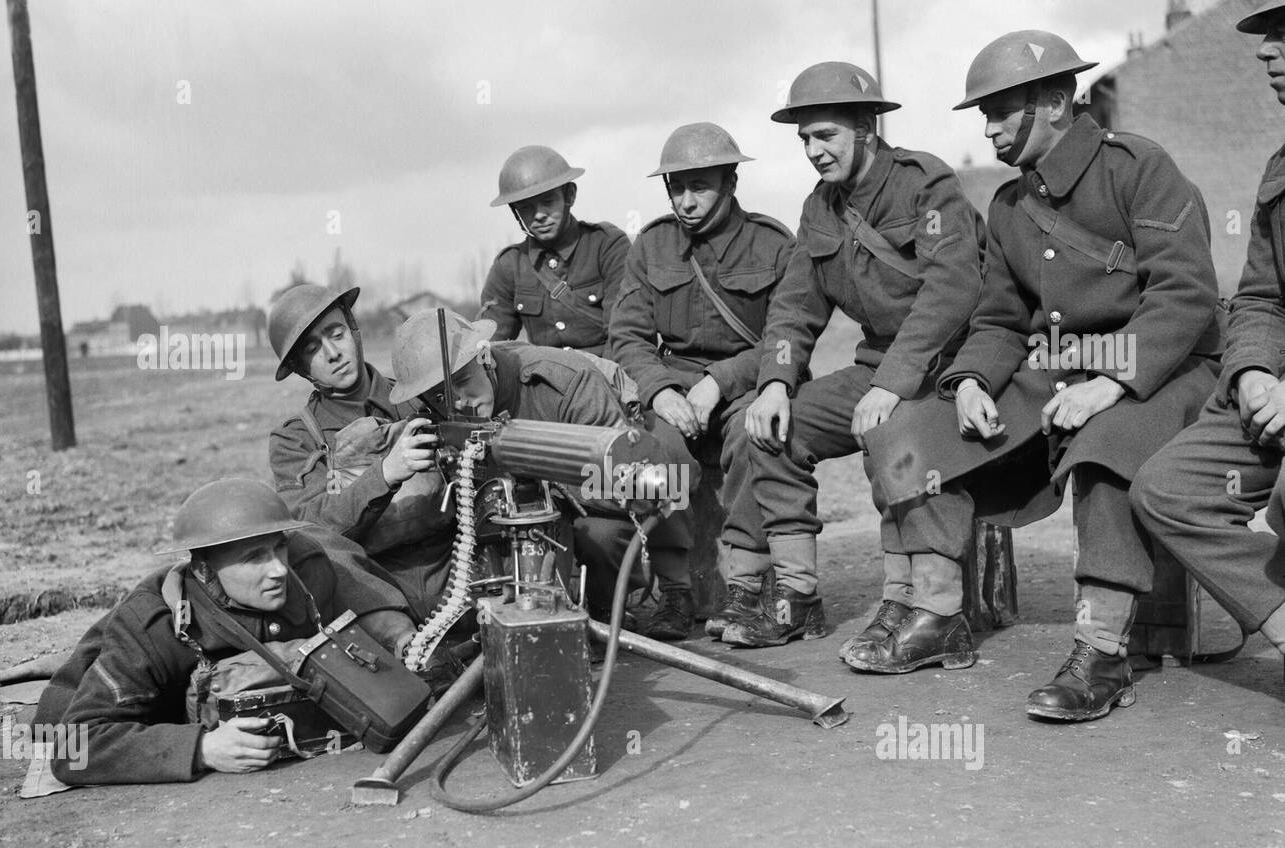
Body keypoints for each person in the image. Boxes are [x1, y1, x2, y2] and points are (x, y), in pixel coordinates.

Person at [861, 30, 1221, 723]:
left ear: (1056, 102)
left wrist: (1111, 379)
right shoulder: (1007, 205)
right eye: (983, 116)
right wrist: (969, 380)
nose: (989, 129)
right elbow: (999, 319)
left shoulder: (1139, 167)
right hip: (1055, 373)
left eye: (1002, 111)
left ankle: (1102, 651)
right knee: (911, 433)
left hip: (1167, 369)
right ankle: (937, 616)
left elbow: (1184, 292)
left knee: (1106, 442)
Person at [715, 62, 985, 650]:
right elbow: (793, 305)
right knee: (757, 427)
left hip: (956, 364)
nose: (813, 151)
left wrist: (893, 382)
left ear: (866, 128)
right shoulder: (820, 208)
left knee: (899, 431)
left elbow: (952, 289)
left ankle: (920, 604)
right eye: (804, 138)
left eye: (826, 135)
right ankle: (795, 596)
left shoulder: (926, 184)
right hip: (879, 367)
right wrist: (777, 383)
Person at [31, 479, 419, 785]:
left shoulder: (308, 568)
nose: (278, 570)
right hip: (111, 703)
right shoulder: (153, 625)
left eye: (278, 549)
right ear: (203, 571)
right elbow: (73, 745)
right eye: (254, 559)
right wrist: (201, 748)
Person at [1132, 2, 1285, 667]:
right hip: (1272, 387)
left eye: (1284, 39)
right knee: (1168, 487)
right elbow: (1260, 296)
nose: (1265, 54)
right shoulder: (1282, 164)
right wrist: (1252, 369)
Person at [389, 307, 697, 622]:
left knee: (601, 534)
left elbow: (619, 481)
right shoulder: (434, 414)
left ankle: (608, 609)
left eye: (464, 381)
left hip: (597, 492)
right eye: (440, 395)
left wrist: (540, 479)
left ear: (485, 358)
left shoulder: (564, 380)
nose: (459, 402)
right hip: (510, 515)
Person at [607, 122, 795, 638]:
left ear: (731, 182)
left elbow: (787, 338)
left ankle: (744, 592)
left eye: (700, 186)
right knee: (655, 452)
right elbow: (627, 336)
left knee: (751, 436)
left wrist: (720, 380)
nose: (686, 201)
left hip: (746, 383)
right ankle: (675, 591)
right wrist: (660, 390)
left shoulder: (771, 243)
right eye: (676, 188)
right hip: (673, 386)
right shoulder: (652, 245)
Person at [267, 283, 452, 621]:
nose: (333, 353)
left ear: (354, 330)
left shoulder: (420, 398)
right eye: (312, 348)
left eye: (336, 334)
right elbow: (310, 530)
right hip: (374, 595)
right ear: (300, 368)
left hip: (456, 574)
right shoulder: (295, 440)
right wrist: (383, 474)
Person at [479, 145, 630, 355]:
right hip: (543, 380)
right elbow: (490, 343)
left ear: (570, 195)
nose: (538, 215)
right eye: (526, 207)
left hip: (607, 376)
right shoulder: (510, 266)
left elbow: (624, 336)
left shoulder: (607, 246)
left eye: (548, 202)